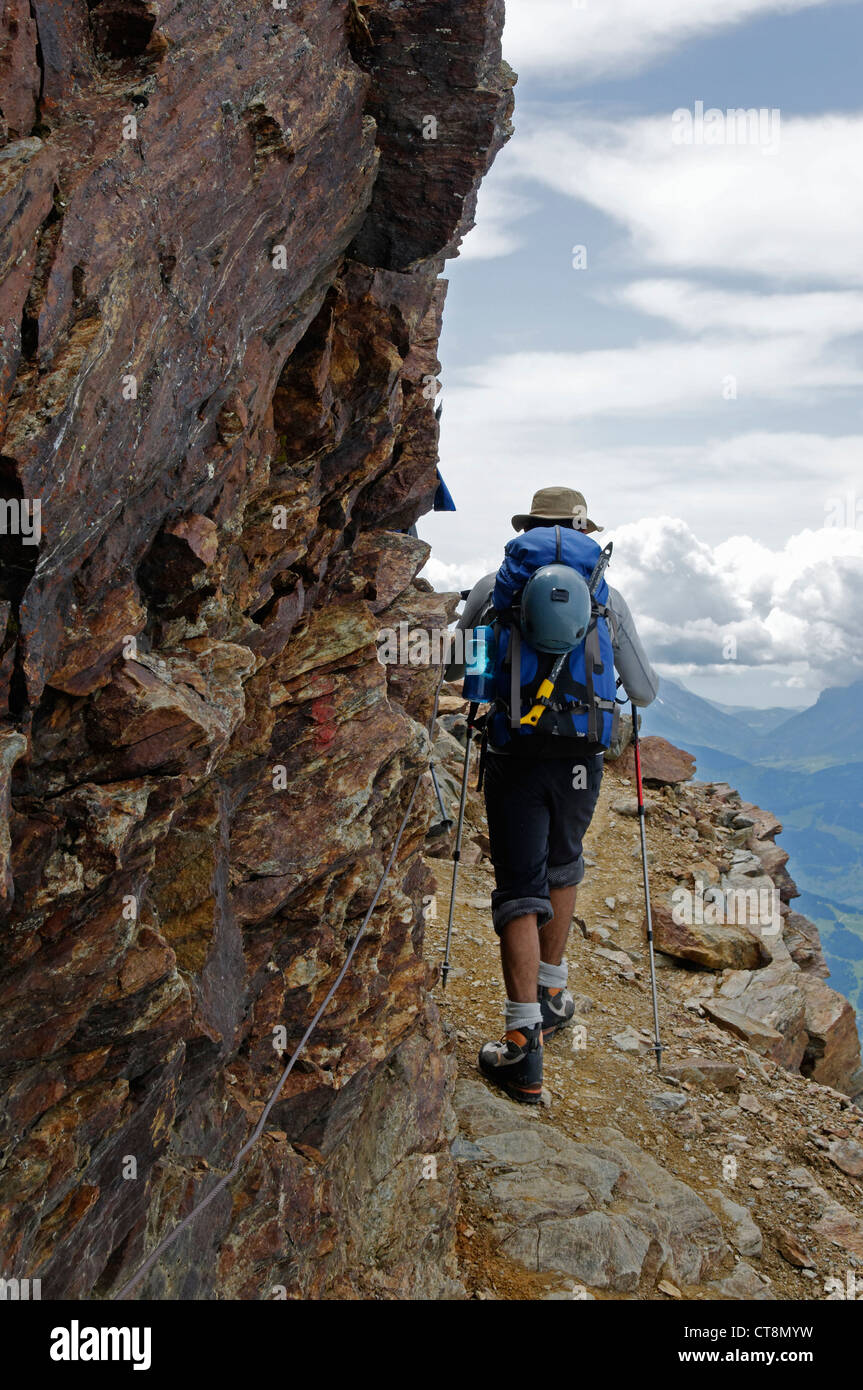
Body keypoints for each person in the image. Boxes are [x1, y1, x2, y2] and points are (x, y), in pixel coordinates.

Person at [447, 486, 658, 1103]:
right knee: (564, 861)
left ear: (528, 530)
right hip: (580, 760)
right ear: (583, 532)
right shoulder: (605, 597)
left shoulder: (494, 588)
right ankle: (552, 992)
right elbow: (641, 691)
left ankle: (521, 1046)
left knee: (519, 886)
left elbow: (458, 673)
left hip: (514, 754)